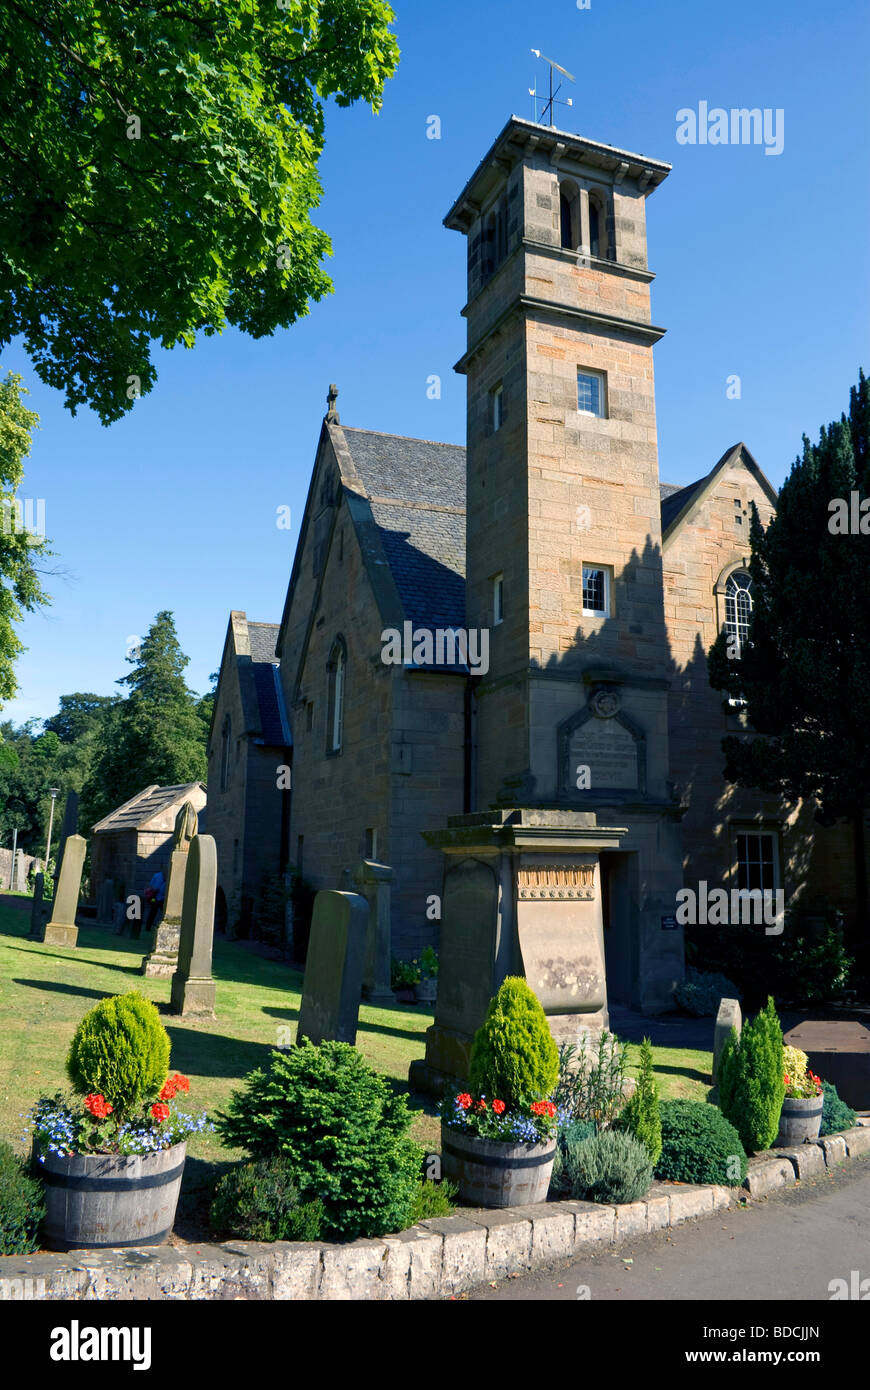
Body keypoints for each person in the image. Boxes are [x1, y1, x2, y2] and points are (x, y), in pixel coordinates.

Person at [136, 868, 166, 938]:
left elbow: (151, 885)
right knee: (155, 911)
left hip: (159, 898)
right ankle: (149, 927)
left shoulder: (160, 875)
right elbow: (151, 886)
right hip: (157, 898)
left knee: (157, 912)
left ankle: (150, 927)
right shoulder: (159, 876)